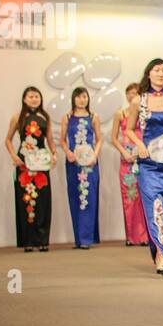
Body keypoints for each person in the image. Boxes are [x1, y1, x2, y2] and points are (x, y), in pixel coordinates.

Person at [125, 59, 163, 275]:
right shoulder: (138, 101)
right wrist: (140, 145)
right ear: (148, 74)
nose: (161, 74)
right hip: (148, 163)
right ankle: (161, 256)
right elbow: (130, 130)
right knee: (154, 209)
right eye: (157, 70)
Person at [3, 86, 55, 252]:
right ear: (24, 99)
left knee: (43, 201)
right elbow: (8, 140)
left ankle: (42, 240)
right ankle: (29, 241)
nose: (34, 99)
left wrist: (54, 154)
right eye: (31, 96)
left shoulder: (44, 117)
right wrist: (14, 156)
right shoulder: (17, 117)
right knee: (26, 200)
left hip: (41, 163)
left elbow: (50, 140)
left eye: (37, 96)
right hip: (24, 164)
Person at [60, 87, 102, 248]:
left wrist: (94, 155)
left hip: (90, 163)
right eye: (78, 97)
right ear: (73, 99)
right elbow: (62, 140)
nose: (82, 100)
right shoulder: (67, 117)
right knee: (75, 197)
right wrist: (68, 152)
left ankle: (86, 239)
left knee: (89, 198)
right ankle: (78, 239)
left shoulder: (93, 117)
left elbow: (99, 139)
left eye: (84, 96)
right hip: (73, 163)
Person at [112, 83, 149, 247]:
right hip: (127, 159)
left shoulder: (147, 113)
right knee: (130, 198)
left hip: (143, 157)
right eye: (129, 93)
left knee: (145, 197)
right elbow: (113, 137)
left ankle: (146, 236)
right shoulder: (120, 114)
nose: (132, 95)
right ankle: (132, 236)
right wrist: (124, 153)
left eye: (136, 93)